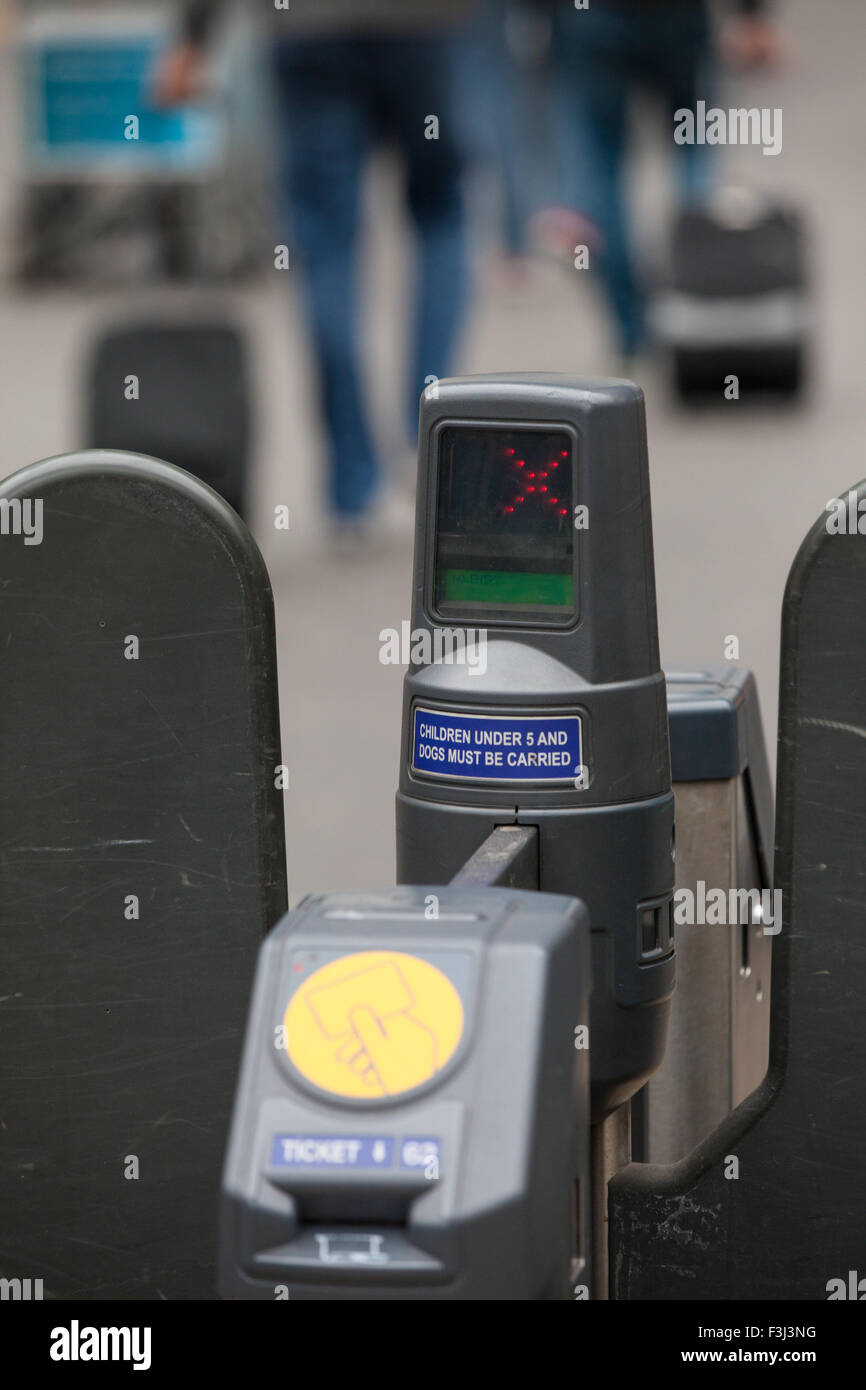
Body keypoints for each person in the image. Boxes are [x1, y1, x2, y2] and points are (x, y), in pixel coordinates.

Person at [156, 1, 474, 543]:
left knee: (325, 249)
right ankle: (432, 446)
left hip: (308, 24)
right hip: (426, 22)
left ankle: (354, 489)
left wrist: (192, 38)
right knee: (442, 219)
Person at [538, 0, 785, 363]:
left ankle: (632, 330)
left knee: (599, 167)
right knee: (695, 151)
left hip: (590, 18)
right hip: (677, 16)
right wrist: (751, 14)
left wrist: (536, 17)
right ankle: (692, 308)